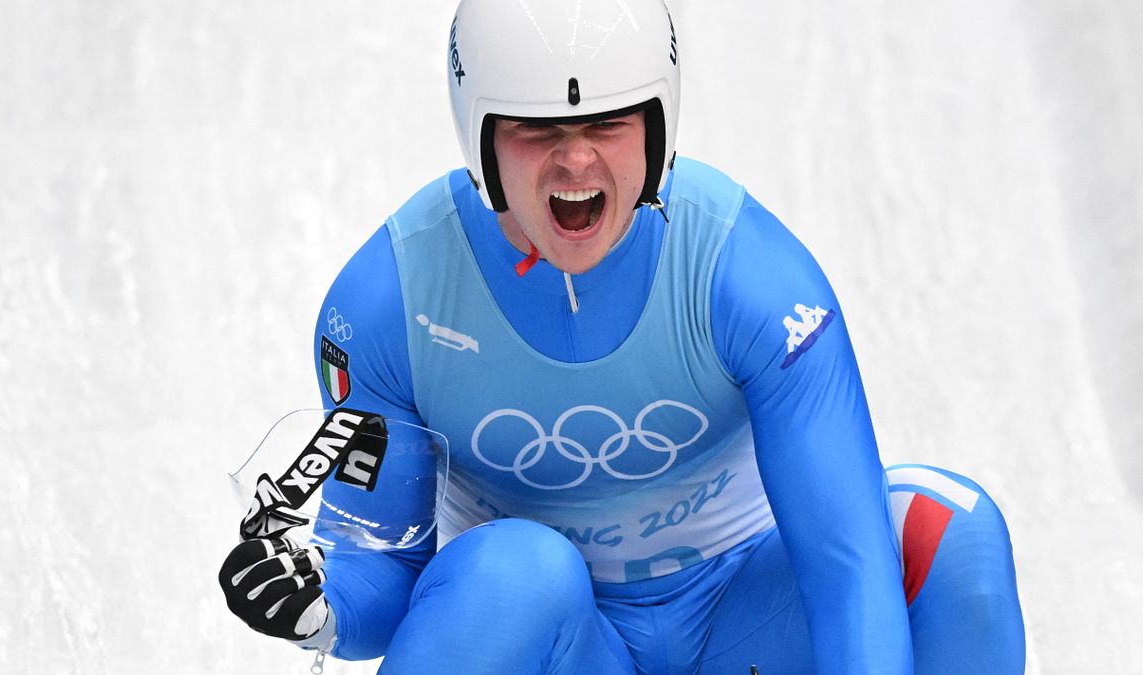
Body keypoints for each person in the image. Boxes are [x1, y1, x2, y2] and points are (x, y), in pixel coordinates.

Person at [219, 1, 1026, 672]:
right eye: (537, 128)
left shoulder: (748, 275)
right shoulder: (387, 303)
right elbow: (385, 570)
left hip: (749, 625)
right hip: (566, 644)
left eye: (608, 121)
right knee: (516, 568)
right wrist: (321, 609)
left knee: (949, 527)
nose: (575, 161)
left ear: (658, 124)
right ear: (480, 136)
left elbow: (849, 565)